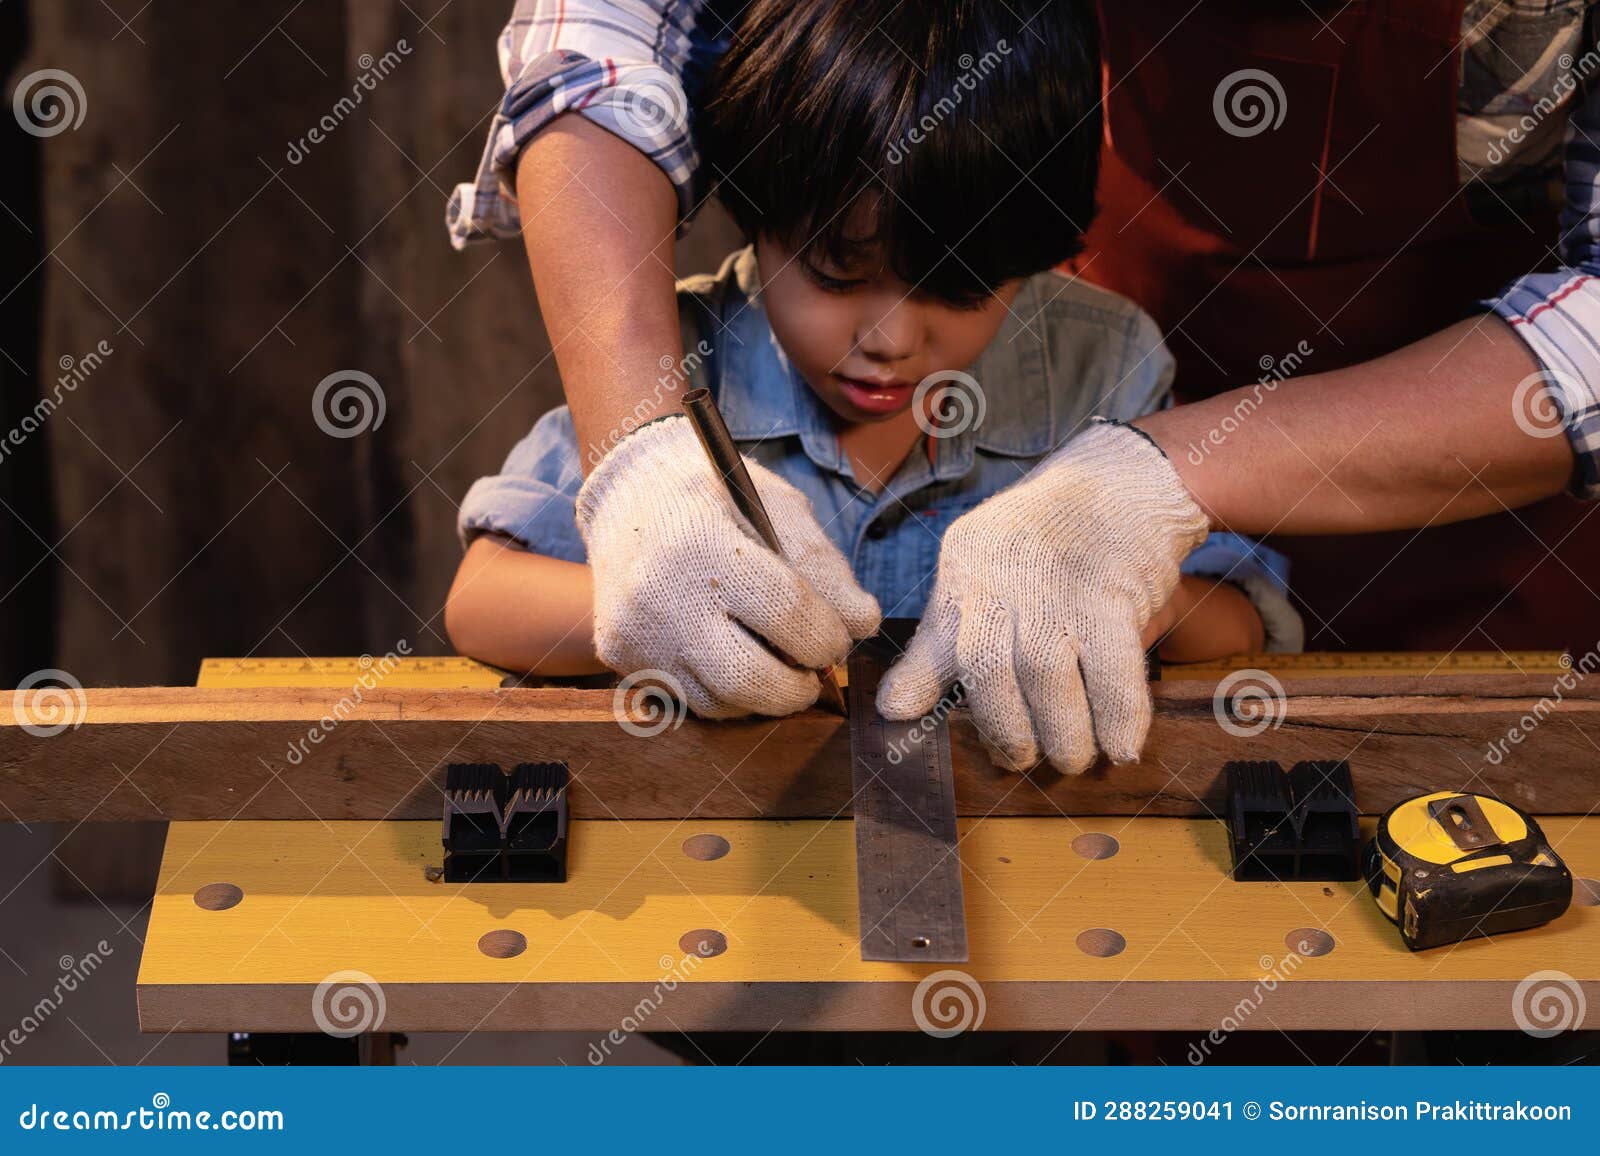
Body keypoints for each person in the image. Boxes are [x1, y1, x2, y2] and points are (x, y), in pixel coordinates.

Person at [448, 0, 1598, 771]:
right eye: (840, 272)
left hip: (1486, 524)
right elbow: (600, 43)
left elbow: (1241, 624)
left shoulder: (1096, 369)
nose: (889, 341)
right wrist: (646, 482)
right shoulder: (710, 353)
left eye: (958, 284)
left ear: (1034, 257)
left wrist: (1138, 531)